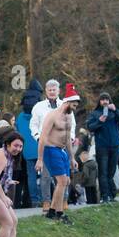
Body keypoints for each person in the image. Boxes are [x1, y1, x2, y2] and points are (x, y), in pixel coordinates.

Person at [30, 79, 74, 211]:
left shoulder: (65, 105)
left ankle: (64, 200)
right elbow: (33, 124)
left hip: (62, 144)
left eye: (54, 89)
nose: (52, 92)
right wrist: (38, 137)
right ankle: (46, 201)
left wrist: (70, 138)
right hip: (47, 144)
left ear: (58, 91)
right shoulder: (39, 106)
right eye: (49, 90)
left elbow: (72, 124)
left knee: (63, 175)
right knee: (46, 175)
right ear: (46, 91)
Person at [37, 91, 77, 222]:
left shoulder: (69, 117)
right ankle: (58, 213)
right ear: (67, 102)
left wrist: (72, 158)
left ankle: (53, 212)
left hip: (62, 151)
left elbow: (68, 139)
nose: (75, 108)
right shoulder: (52, 115)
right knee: (61, 181)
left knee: (65, 182)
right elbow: (42, 138)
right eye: (74, 105)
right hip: (50, 149)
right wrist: (40, 159)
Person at [85, 92, 119, 202]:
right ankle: (105, 196)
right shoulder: (95, 113)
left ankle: (112, 194)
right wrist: (100, 121)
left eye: (107, 99)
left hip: (115, 146)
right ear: (99, 102)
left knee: (111, 171)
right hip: (102, 147)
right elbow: (90, 127)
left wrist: (115, 110)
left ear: (110, 101)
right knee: (103, 172)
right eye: (103, 99)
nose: (105, 101)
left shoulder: (114, 113)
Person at [15, 81, 43, 208]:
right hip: (41, 146)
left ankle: (35, 201)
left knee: (31, 175)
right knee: (45, 175)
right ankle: (45, 199)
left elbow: (18, 133)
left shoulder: (20, 117)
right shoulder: (40, 113)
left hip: (26, 150)